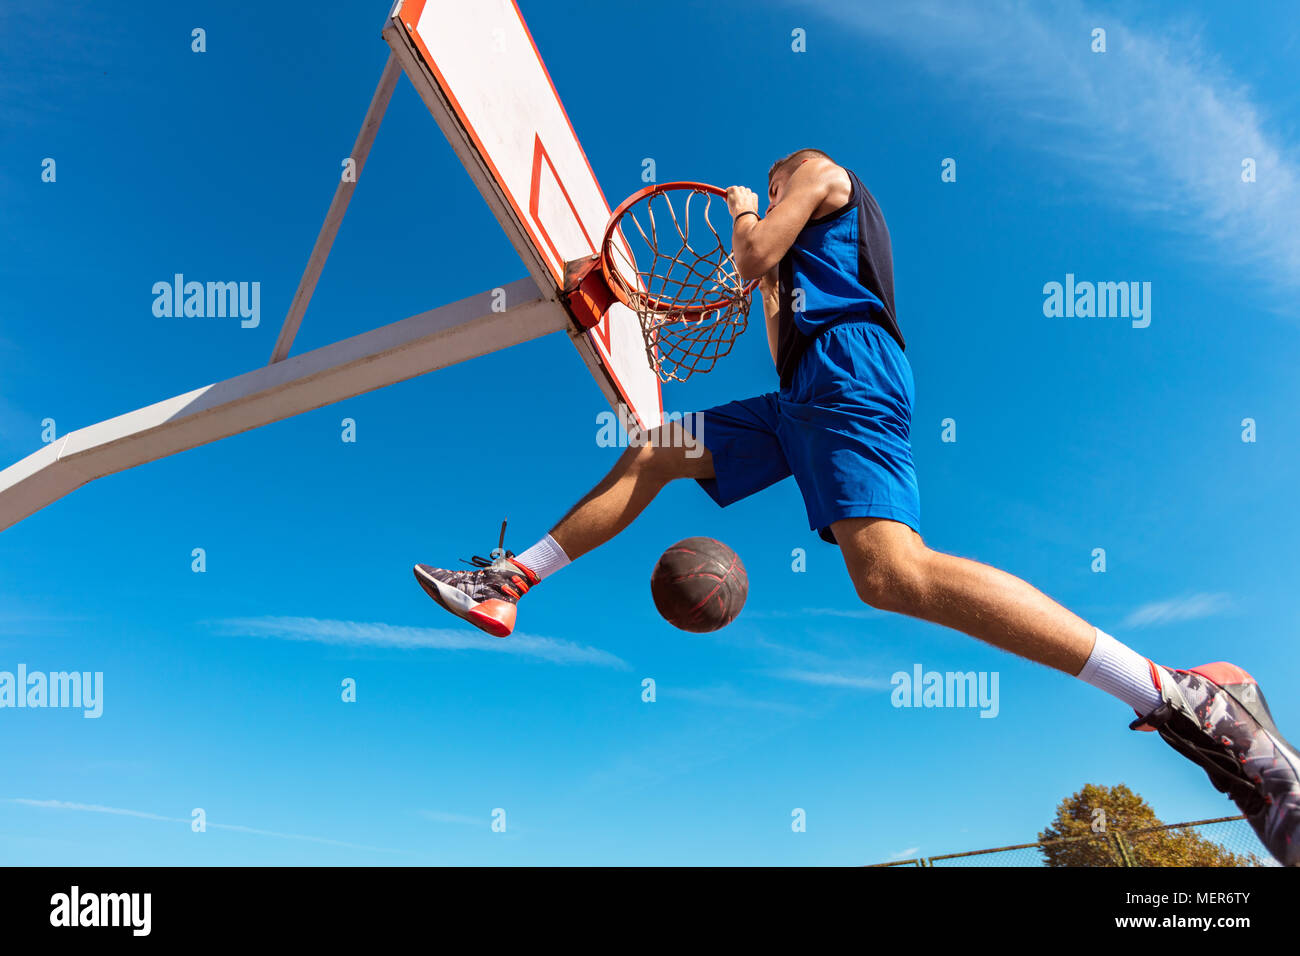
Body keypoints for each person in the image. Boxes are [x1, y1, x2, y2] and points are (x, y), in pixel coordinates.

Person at [414, 148, 1300, 866]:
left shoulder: (817, 171)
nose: (766, 190)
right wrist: (747, 285)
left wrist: (745, 213)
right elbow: (768, 308)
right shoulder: (793, 261)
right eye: (765, 190)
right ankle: (511, 580)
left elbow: (752, 253)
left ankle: (1179, 693)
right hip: (799, 392)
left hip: (851, 365)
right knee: (656, 451)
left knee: (890, 575)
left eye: (769, 184)